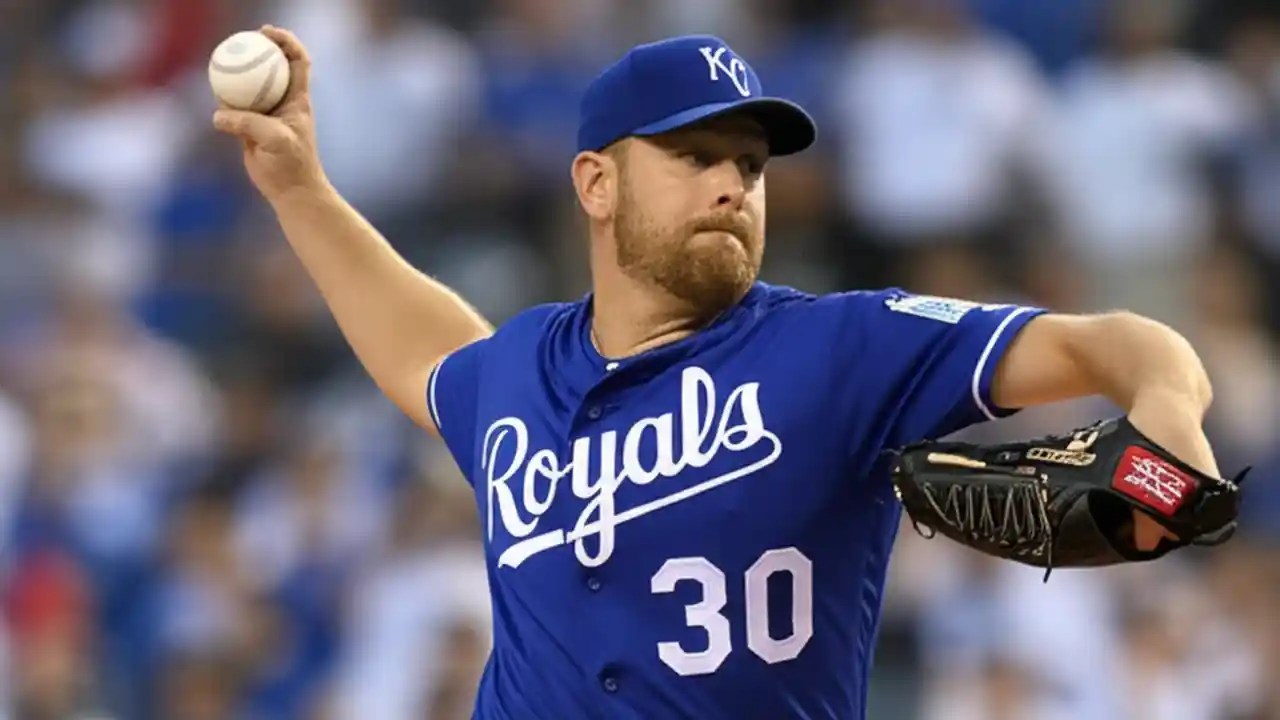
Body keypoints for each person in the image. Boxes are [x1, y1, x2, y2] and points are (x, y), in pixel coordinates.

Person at [213, 26, 1223, 720]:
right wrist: (300, 190)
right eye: (693, 155)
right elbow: (424, 349)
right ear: (595, 183)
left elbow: (1115, 344)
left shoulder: (841, 349)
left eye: (748, 163)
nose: (732, 184)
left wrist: (1168, 414)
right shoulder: (517, 372)